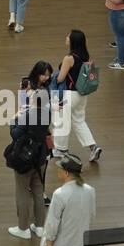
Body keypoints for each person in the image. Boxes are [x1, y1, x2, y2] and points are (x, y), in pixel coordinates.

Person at [7, 62, 52, 240]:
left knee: (22, 190)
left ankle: (23, 228)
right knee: (38, 190)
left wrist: (13, 119)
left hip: (25, 156)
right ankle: (40, 226)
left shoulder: (27, 115)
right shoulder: (46, 114)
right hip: (41, 156)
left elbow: (15, 134)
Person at [54, 29, 101, 163]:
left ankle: (61, 149)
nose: (66, 38)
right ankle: (93, 147)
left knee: (61, 121)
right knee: (79, 121)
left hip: (69, 95)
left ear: (73, 41)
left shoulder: (69, 59)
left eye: (68, 36)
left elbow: (60, 78)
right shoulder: (86, 58)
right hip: (82, 95)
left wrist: (54, 78)